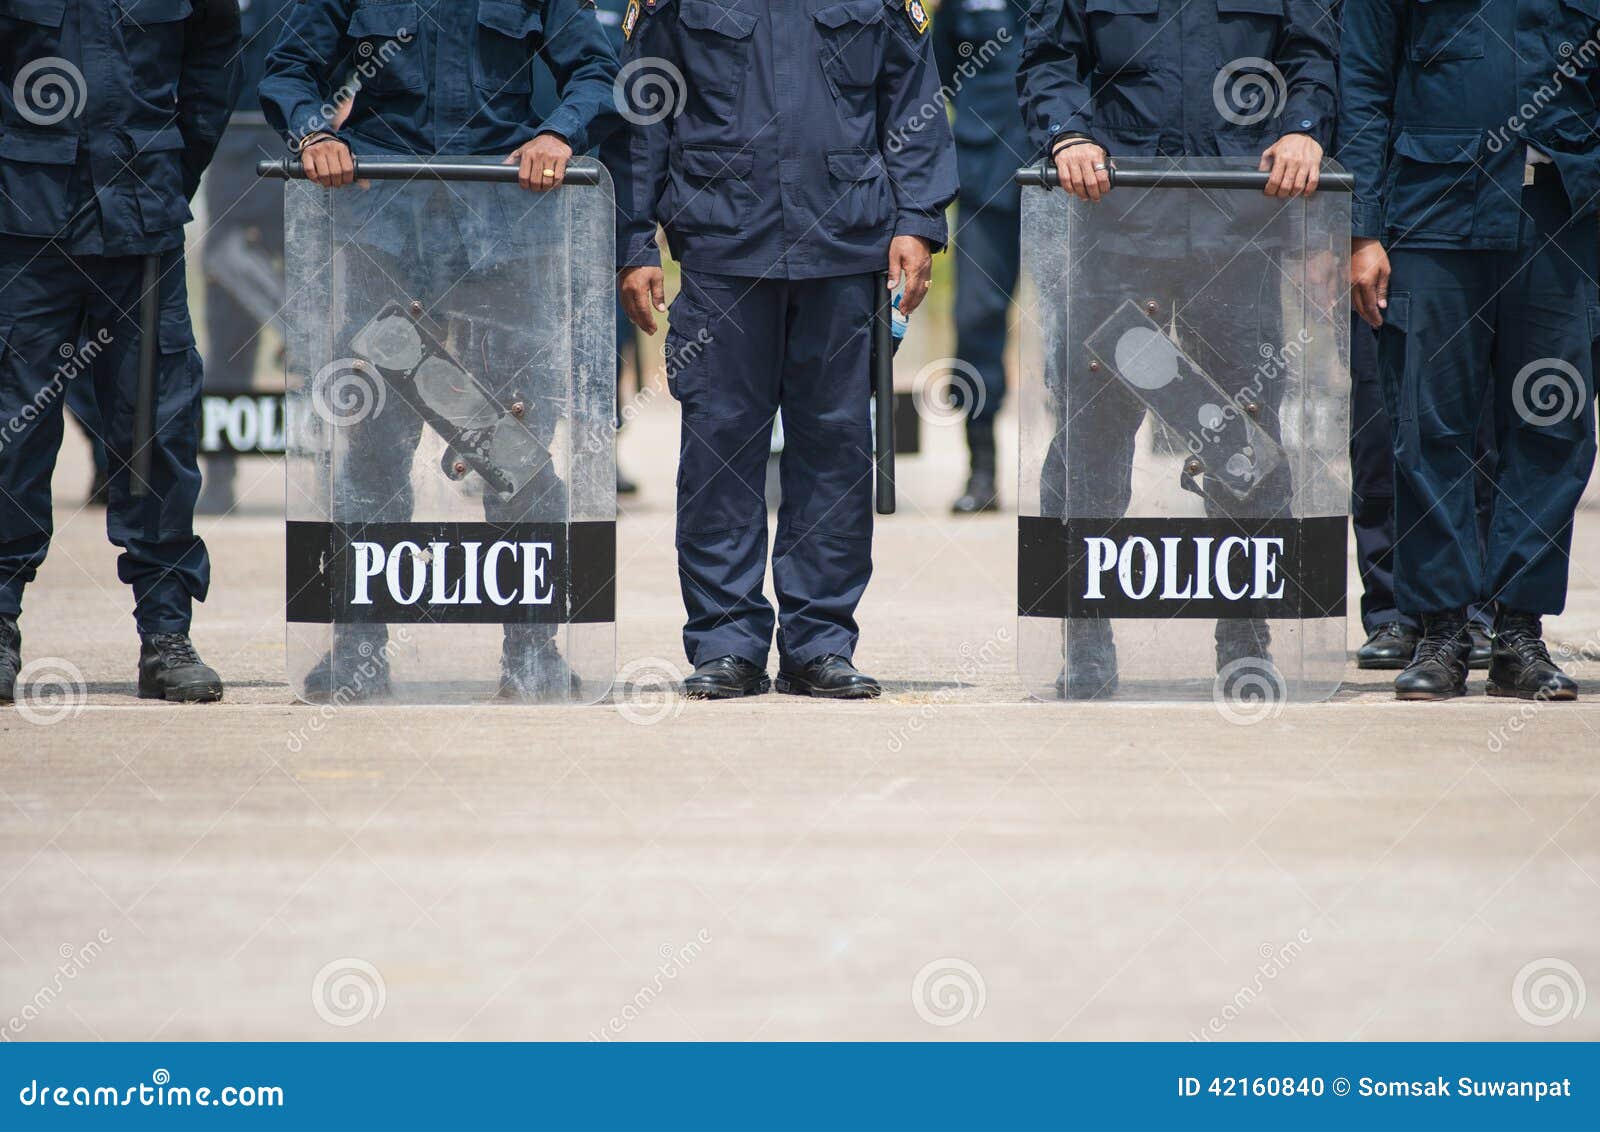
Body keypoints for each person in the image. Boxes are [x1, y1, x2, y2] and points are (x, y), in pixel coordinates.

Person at [259, 0, 619, 702]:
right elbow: (287, 72)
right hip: (384, 230)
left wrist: (557, 133)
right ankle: (359, 647)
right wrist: (312, 135)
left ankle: (532, 647)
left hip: (505, 233)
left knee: (513, 443)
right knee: (372, 443)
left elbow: (597, 72)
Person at [612, 0, 959, 700]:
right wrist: (633, 240)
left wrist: (919, 220)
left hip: (844, 246)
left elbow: (911, 101)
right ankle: (727, 643)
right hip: (723, 247)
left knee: (833, 447)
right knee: (718, 447)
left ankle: (820, 643)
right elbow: (645, 112)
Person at [1016, 0, 1336, 698]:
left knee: (1243, 436)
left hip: (1237, 224)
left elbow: (1313, 55)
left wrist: (1303, 129)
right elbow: (1048, 58)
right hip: (1117, 222)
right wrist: (1068, 135)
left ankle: (1244, 630)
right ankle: (1084, 629)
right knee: (1092, 434)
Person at [1342, 0, 1600, 701]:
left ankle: (1519, 634)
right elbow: (1363, 79)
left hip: (1563, 215)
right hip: (1433, 210)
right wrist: (1362, 229)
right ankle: (1442, 630)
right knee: (1430, 427)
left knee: (1553, 428)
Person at [0, 0, 240, 706]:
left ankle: (165, 636)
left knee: (156, 430)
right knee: (13, 429)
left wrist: (167, 171)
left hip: (139, 216)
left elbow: (212, 63)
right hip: (21, 218)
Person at [533, 0, 642, 497]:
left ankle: (598, 456)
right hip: (517, 187)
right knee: (515, 333)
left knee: (601, 339)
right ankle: (503, 450)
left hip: (598, 195)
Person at [194, 0, 298, 516]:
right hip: (234, 163)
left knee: (339, 326)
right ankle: (218, 476)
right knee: (229, 330)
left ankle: (339, 476)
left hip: (312, 160)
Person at [933, 0, 1028, 515]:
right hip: (984, 175)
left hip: (1073, 181)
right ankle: (981, 467)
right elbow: (941, 69)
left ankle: (1085, 472)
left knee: (1080, 332)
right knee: (975, 321)